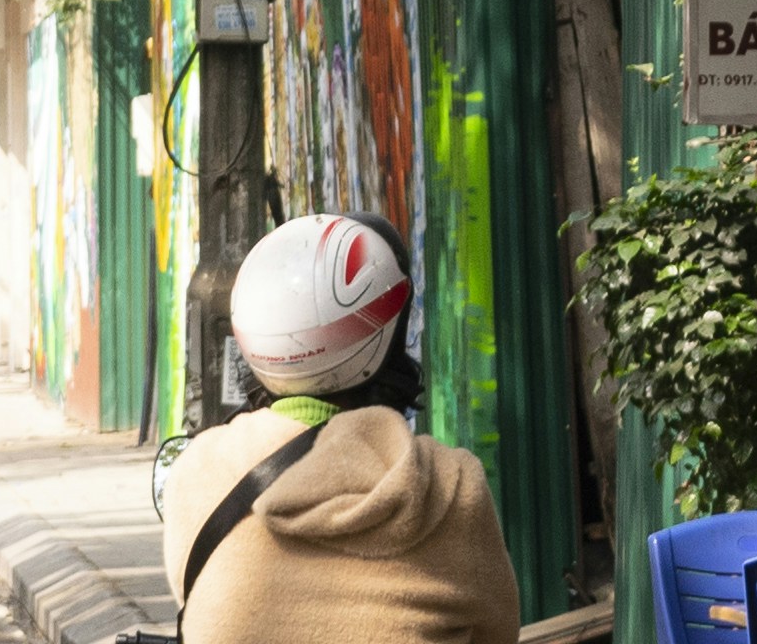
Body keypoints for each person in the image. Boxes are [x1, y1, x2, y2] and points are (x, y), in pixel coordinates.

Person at [154, 217, 511, 644]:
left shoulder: (197, 471)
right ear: (388, 337)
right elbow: (498, 631)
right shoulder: (450, 487)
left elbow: (193, 604)